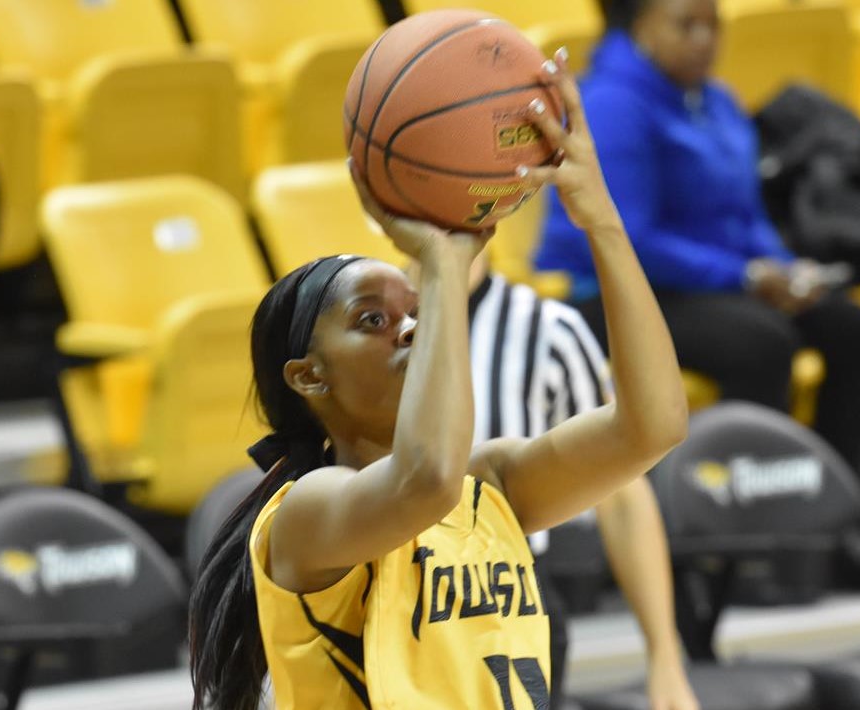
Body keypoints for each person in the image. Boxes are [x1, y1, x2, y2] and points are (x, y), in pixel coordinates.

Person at [189, 50, 689, 710]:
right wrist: (441, 265)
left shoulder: (490, 489)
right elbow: (424, 480)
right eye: (373, 318)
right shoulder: (305, 514)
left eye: (416, 313)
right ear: (309, 377)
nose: (410, 329)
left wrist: (599, 217)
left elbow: (652, 427)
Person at [535, 0, 860, 469]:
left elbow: (746, 214)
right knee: (762, 343)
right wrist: (745, 276)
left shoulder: (717, 100)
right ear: (641, 27)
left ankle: (838, 501)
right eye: (687, 26)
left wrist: (782, 265)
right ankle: (745, 511)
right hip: (617, 293)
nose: (705, 41)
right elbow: (627, 239)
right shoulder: (611, 104)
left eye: (713, 26)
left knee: (854, 329)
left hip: (716, 284)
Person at [464, 254, 697, 710]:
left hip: (515, 598)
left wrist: (665, 658)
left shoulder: (550, 328)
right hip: (396, 597)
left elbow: (622, 494)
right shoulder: (371, 323)